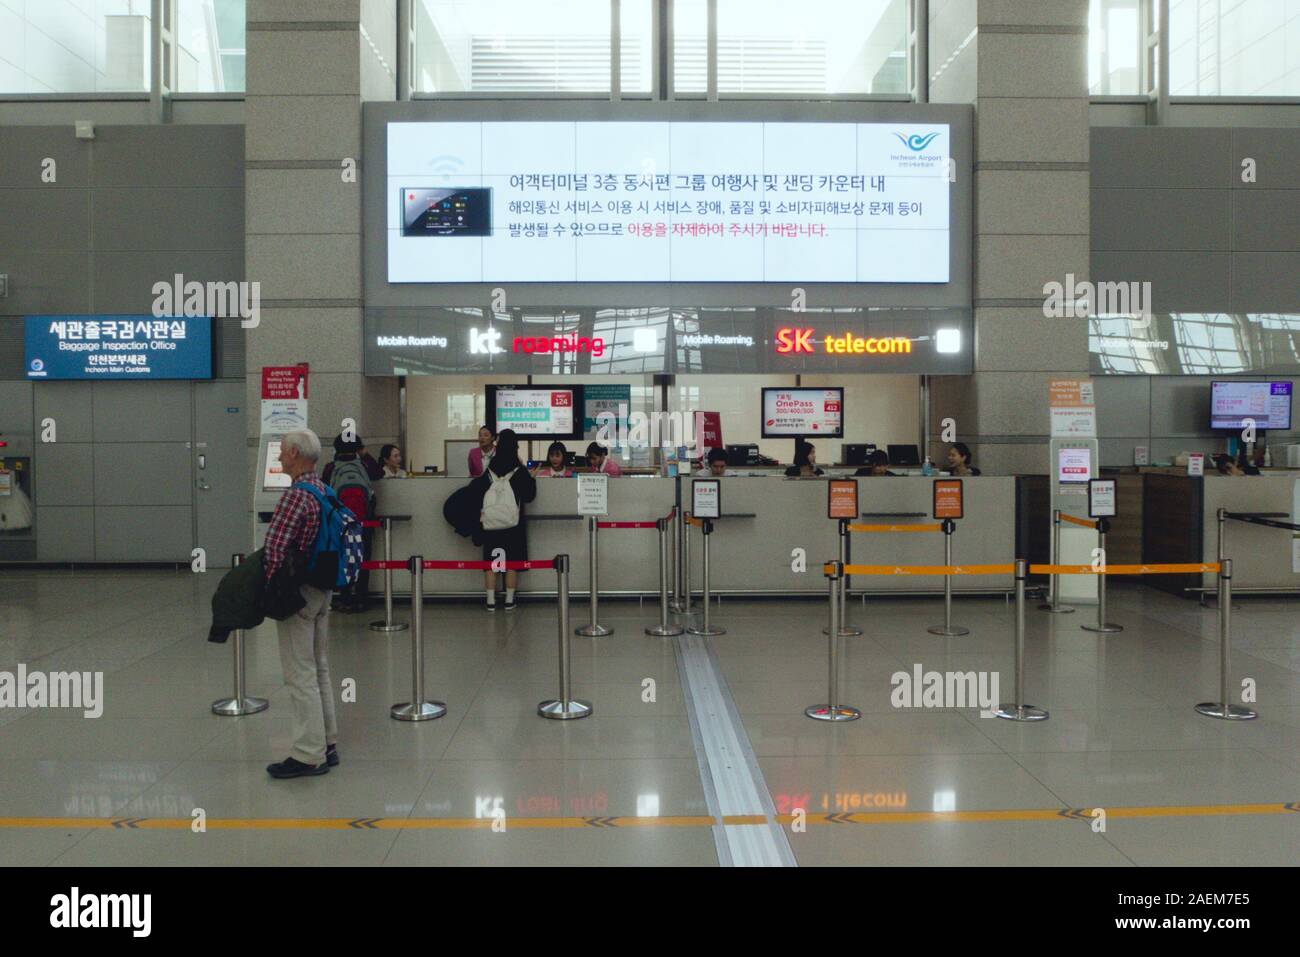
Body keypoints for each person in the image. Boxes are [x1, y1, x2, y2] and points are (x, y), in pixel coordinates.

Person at [262, 430, 338, 779]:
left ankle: (309, 754)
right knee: (319, 667)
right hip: (324, 589)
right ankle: (327, 742)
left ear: (294, 453)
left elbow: (275, 549)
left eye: (281, 452)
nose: (278, 458)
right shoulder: (325, 490)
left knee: (299, 673)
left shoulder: (295, 496)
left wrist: (267, 589)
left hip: (299, 594)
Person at [473, 429, 536, 611]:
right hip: (512, 524)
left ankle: (491, 601)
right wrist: (531, 479)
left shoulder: (491, 467)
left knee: (492, 563)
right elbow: (529, 496)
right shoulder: (519, 469)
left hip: (491, 523)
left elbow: (479, 491)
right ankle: (509, 600)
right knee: (512, 562)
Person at [325, 434, 378, 613]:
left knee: (344, 557)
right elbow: (380, 472)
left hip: (341, 522)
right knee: (363, 557)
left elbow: (325, 490)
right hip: (364, 522)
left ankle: (345, 597)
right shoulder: (364, 466)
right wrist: (364, 454)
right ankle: (362, 598)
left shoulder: (331, 468)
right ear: (358, 448)